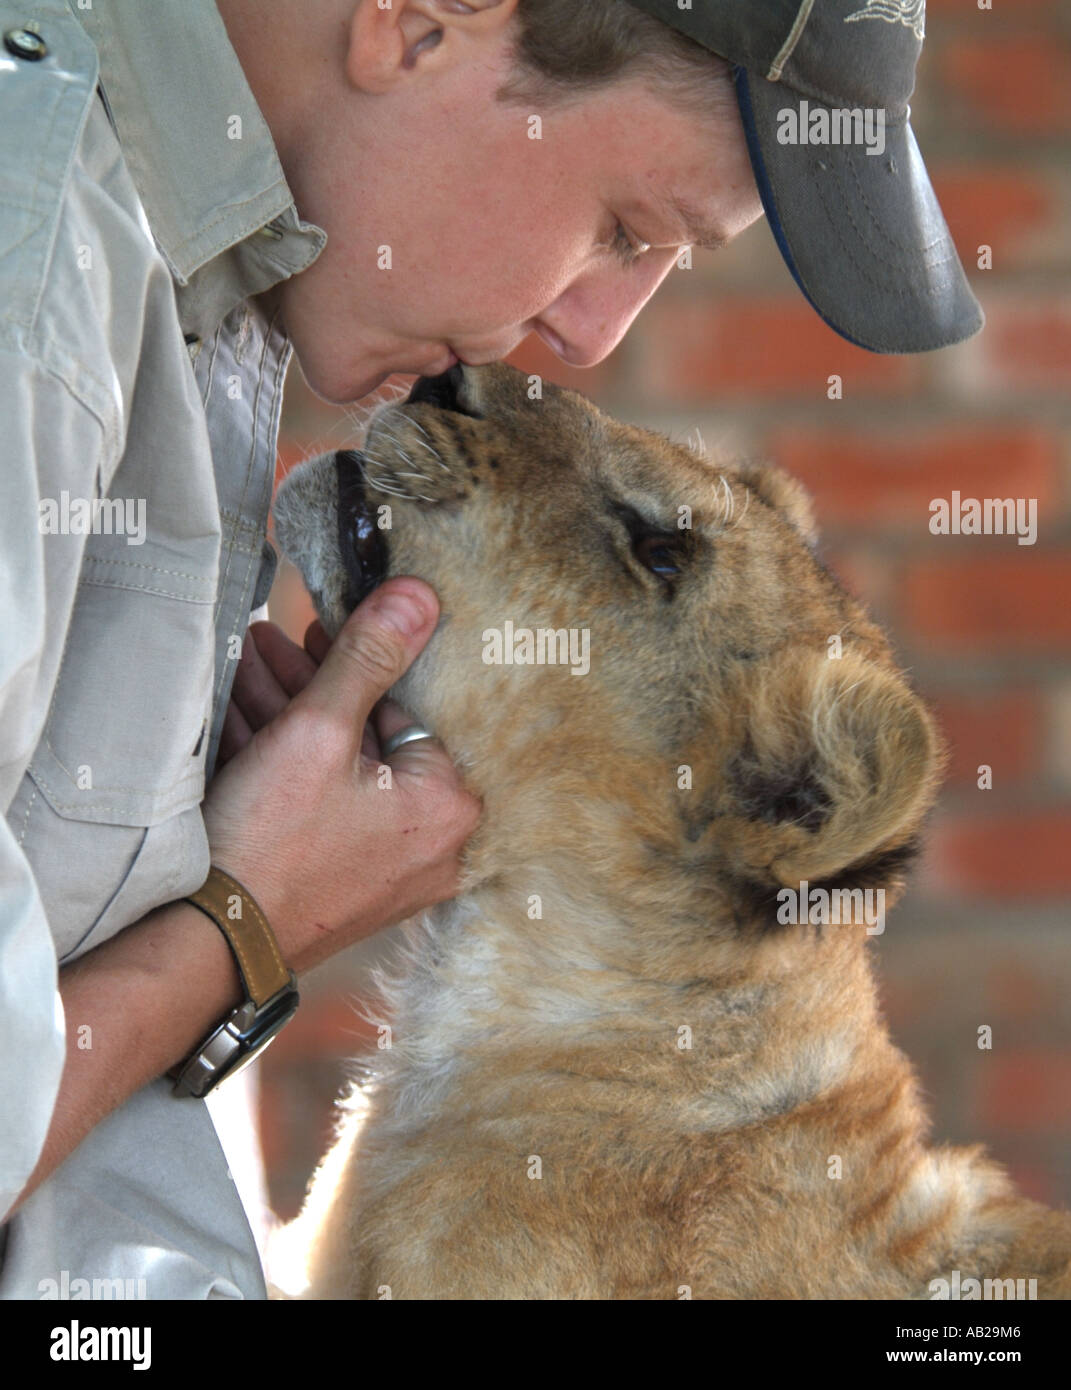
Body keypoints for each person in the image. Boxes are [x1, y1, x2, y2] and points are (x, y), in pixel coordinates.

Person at [0, 0, 981, 1299]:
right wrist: (243, 925)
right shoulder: (37, 262)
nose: (586, 341)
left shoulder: (221, 281)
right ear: (416, 22)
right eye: (626, 227)